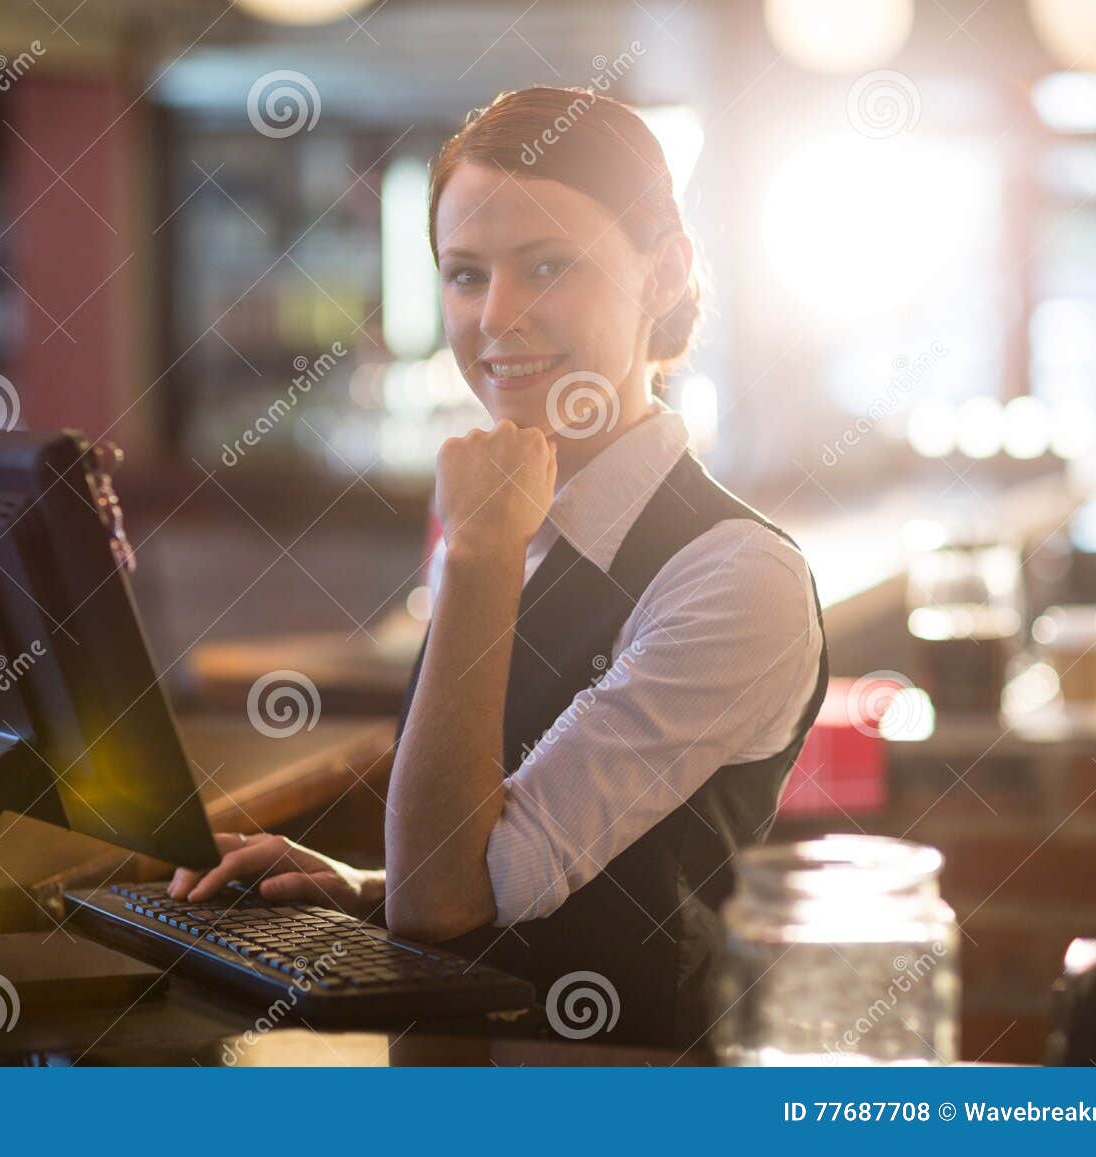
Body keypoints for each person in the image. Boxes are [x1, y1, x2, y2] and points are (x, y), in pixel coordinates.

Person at [167, 85, 828, 1049]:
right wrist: (365, 889)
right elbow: (486, 862)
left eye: (549, 265)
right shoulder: (519, 514)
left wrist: (479, 555)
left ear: (665, 273)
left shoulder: (735, 577)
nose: (498, 318)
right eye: (467, 274)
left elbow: (450, 904)